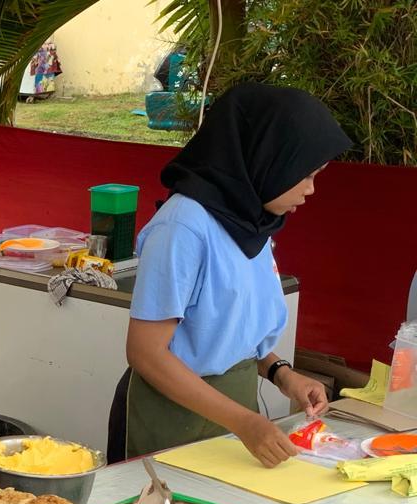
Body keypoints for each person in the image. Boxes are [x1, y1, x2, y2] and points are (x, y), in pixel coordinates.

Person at [108, 83, 352, 468]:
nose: (310, 190)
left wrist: (281, 373)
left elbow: (226, 330)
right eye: (305, 175)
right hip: (173, 419)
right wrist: (244, 423)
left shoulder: (250, 224)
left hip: (235, 414)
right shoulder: (183, 228)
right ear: (269, 159)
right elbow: (146, 353)